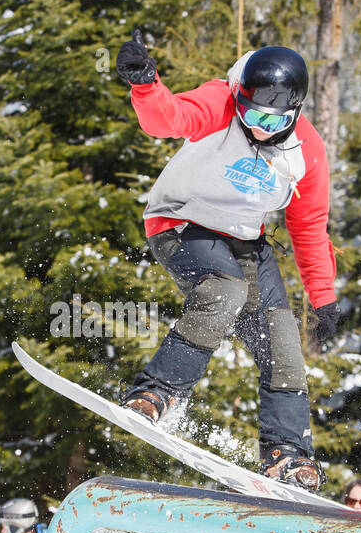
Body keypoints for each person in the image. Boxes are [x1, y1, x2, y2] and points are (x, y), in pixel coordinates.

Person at [114, 31, 340, 491]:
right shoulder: (221, 103)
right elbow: (170, 118)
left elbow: (309, 227)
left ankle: (287, 453)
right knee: (224, 293)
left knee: (283, 343)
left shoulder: (307, 152)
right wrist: (146, 85)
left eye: (268, 119)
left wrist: (324, 299)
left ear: (293, 114)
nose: (256, 126)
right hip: (180, 222)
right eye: (249, 113)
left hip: (244, 240)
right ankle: (157, 393)